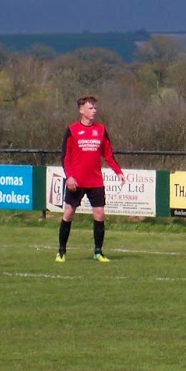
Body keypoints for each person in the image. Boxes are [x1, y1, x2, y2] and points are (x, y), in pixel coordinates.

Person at [57, 95, 124, 262]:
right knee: (69, 213)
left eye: (95, 108)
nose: (94, 111)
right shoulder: (72, 130)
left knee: (100, 214)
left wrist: (119, 172)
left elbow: (108, 155)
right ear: (81, 110)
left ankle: (98, 252)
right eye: (90, 108)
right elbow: (65, 157)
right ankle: (61, 251)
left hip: (95, 181)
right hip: (76, 181)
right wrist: (69, 177)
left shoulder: (101, 130)